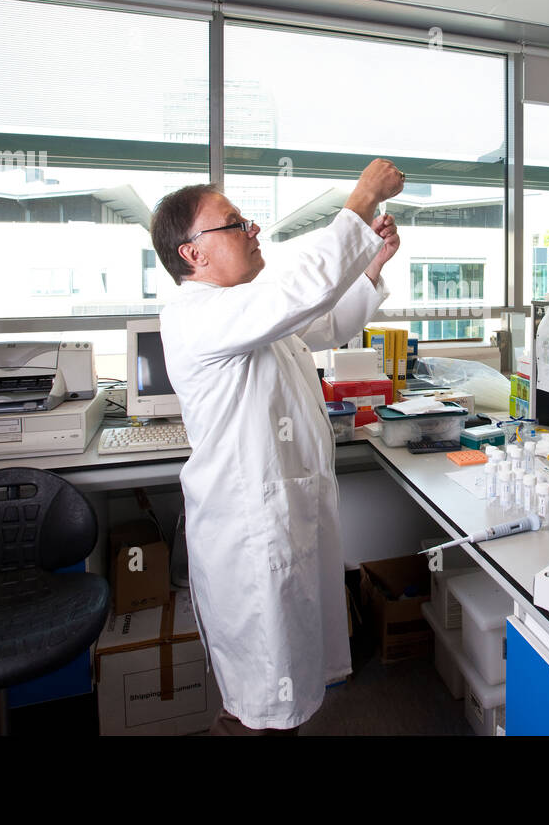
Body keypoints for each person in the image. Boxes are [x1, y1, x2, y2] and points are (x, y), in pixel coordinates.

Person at [151, 159, 404, 734]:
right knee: (260, 695)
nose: (253, 230)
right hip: (249, 531)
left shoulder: (248, 308)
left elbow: (323, 321)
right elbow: (303, 289)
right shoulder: (198, 315)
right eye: (234, 224)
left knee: (287, 677)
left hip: (283, 514)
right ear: (194, 253)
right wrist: (361, 198)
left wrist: (371, 266)